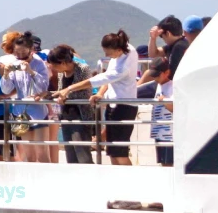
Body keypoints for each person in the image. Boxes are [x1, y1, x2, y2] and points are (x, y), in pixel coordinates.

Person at [54, 30, 138, 165]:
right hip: (112, 105)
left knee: (120, 152)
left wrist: (69, 88)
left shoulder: (123, 67)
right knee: (111, 151)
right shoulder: (127, 49)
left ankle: (129, 182)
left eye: (109, 53)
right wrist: (100, 93)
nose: (106, 55)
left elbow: (99, 79)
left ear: (118, 49)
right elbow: (108, 80)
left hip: (124, 107)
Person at [0, 31, 51, 163]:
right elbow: (6, 89)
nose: (20, 57)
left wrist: (31, 72)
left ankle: (47, 179)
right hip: (20, 112)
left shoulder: (39, 64)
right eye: (17, 53)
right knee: (29, 154)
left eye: (24, 53)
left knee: (42, 152)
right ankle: (31, 180)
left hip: (38, 112)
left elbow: (43, 87)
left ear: (31, 50)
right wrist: (5, 74)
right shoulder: (14, 64)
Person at [48, 45, 94, 164]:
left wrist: (65, 95)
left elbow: (84, 91)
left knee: (82, 152)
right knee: (70, 151)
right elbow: (60, 90)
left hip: (81, 115)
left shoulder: (83, 69)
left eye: (54, 64)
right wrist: (51, 95)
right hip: (66, 115)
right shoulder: (61, 73)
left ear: (63, 62)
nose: (53, 67)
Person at [142, 58, 174, 167]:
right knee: (163, 162)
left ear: (167, 73)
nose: (155, 78)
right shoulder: (157, 86)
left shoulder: (172, 86)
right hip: (159, 131)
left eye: (157, 75)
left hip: (168, 134)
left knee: (168, 163)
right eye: (153, 75)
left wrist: (165, 100)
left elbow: (174, 108)